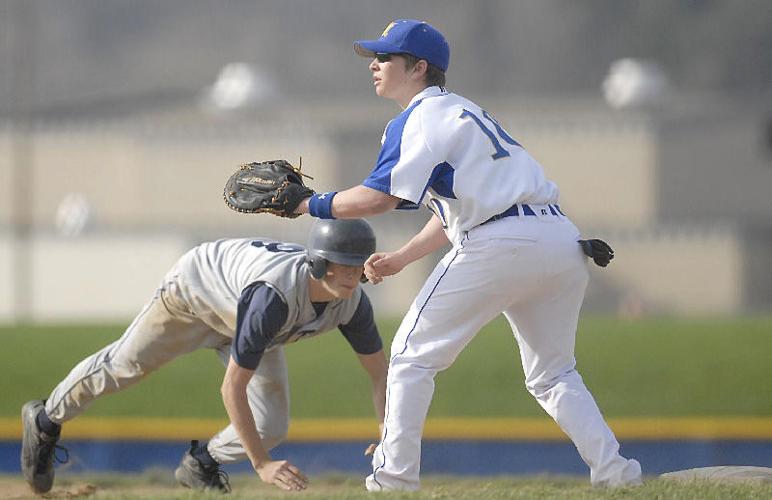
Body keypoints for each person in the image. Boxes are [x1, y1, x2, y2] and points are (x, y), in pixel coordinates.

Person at [293, 19, 642, 491]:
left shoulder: (417, 118)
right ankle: (618, 476)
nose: (374, 65)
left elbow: (378, 199)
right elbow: (456, 208)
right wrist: (401, 257)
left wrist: (305, 203)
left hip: (500, 244)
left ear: (418, 68)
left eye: (386, 58)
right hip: (559, 240)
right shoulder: (466, 112)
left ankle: (393, 480)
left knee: (411, 357)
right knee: (554, 374)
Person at [20, 219, 387, 494]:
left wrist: (391, 437)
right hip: (194, 297)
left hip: (245, 320)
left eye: (359, 265)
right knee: (124, 367)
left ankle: (201, 464)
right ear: (320, 264)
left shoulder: (352, 305)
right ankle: (46, 419)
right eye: (344, 263)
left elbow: (380, 376)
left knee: (271, 424)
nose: (354, 274)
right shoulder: (273, 297)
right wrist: (260, 464)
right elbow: (232, 388)